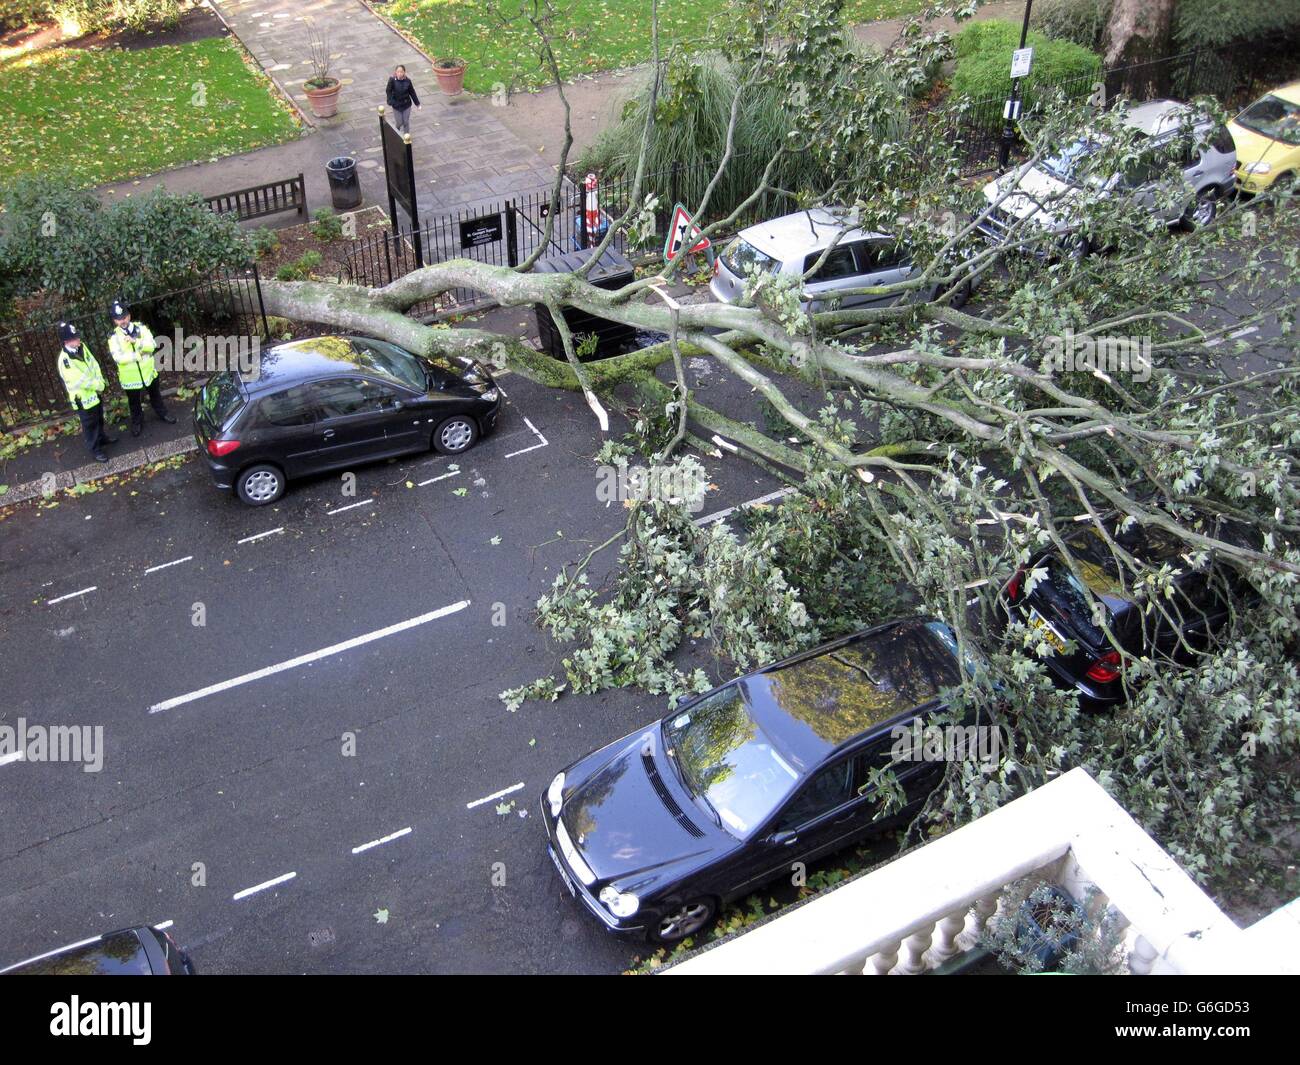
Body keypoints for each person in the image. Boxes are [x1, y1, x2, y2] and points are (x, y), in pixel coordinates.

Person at [107, 299, 175, 436]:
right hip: (130, 377)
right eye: (119, 319)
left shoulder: (141, 328)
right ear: (115, 321)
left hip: (148, 371)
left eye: (124, 317)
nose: (123, 321)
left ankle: (163, 413)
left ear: (129, 315)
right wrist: (138, 355)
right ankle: (137, 422)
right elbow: (118, 358)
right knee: (134, 403)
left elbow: (152, 346)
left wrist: (136, 342)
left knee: (156, 395)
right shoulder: (113, 337)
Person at [56, 321, 116, 463]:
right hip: (83, 398)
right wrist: (98, 385)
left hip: (95, 393)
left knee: (99, 418)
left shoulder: (82, 347)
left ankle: (102, 438)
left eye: (77, 336)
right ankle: (95, 449)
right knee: (90, 425)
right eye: (75, 338)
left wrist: (100, 380)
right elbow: (79, 380)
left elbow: (93, 363)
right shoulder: (65, 360)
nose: (79, 339)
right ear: (67, 341)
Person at [385, 65, 421, 135]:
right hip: (396, 105)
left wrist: (417, 104)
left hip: (406, 105)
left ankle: (406, 138)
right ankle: (396, 133)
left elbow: (412, 92)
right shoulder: (392, 80)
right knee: (399, 123)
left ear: (404, 72)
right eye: (398, 72)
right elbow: (388, 91)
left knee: (406, 122)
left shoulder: (408, 81)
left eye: (401, 72)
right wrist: (390, 101)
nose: (399, 73)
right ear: (395, 72)